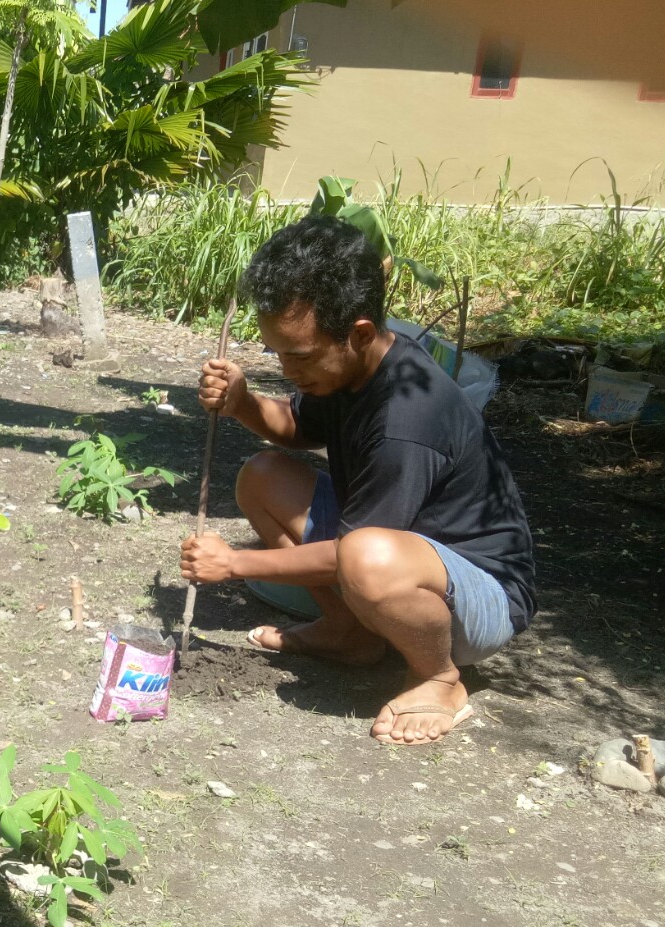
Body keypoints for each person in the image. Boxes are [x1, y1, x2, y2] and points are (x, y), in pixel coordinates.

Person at [180, 215, 536, 747]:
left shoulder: (407, 421)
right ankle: (350, 633)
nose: (287, 368)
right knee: (263, 476)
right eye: (277, 353)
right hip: (399, 553)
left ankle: (439, 678)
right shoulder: (352, 366)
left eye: (297, 355)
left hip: (481, 596)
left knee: (366, 558)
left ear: (360, 331)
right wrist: (243, 403)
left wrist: (234, 563)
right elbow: (298, 427)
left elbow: (349, 553)